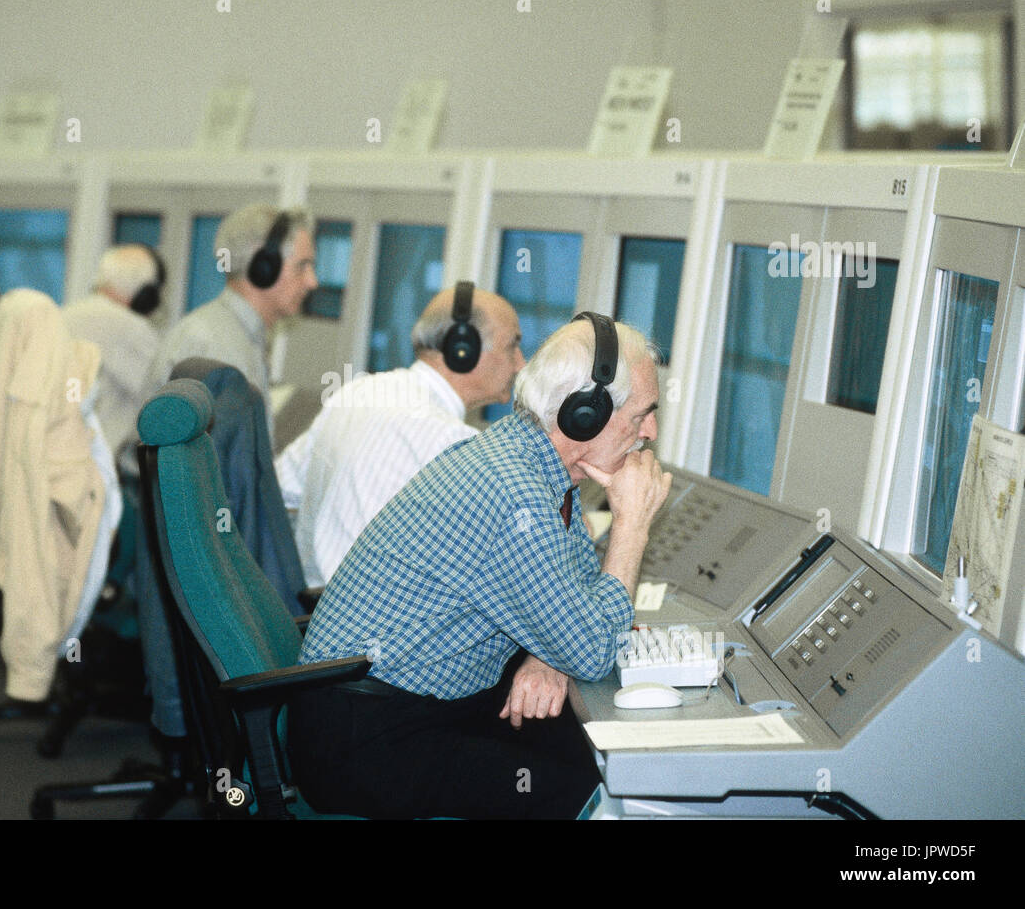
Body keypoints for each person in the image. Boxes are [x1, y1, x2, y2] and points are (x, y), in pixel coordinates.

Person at [287, 312, 671, 819]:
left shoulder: (529, 455)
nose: (651, 432)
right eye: (642, 414)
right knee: (582, 787)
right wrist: (632, 526)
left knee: (574, 747)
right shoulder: (515, 492)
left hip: (405, 704)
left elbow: (574, 594)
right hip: (366, 739)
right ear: (586, 415)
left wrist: (547, 655)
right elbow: (594, 649)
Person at [275, 281, 525, 588]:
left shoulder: (357, 391)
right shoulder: (452, 442)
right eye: (512, 346)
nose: (520, 363)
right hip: (371, 610)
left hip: (305, 603)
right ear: (463, 350)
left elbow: (282, 488)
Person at [143, 203, 317, 441]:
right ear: (264, 266)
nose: (312, 281)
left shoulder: (242, 338)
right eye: (302, 266)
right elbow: (212, 457)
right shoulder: (213, 343)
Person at [63, 244, 165, 459]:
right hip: (99, 461)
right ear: (145, 294)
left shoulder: (65, 315)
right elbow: (159, 399)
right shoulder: (133, 328)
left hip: (59, 454)